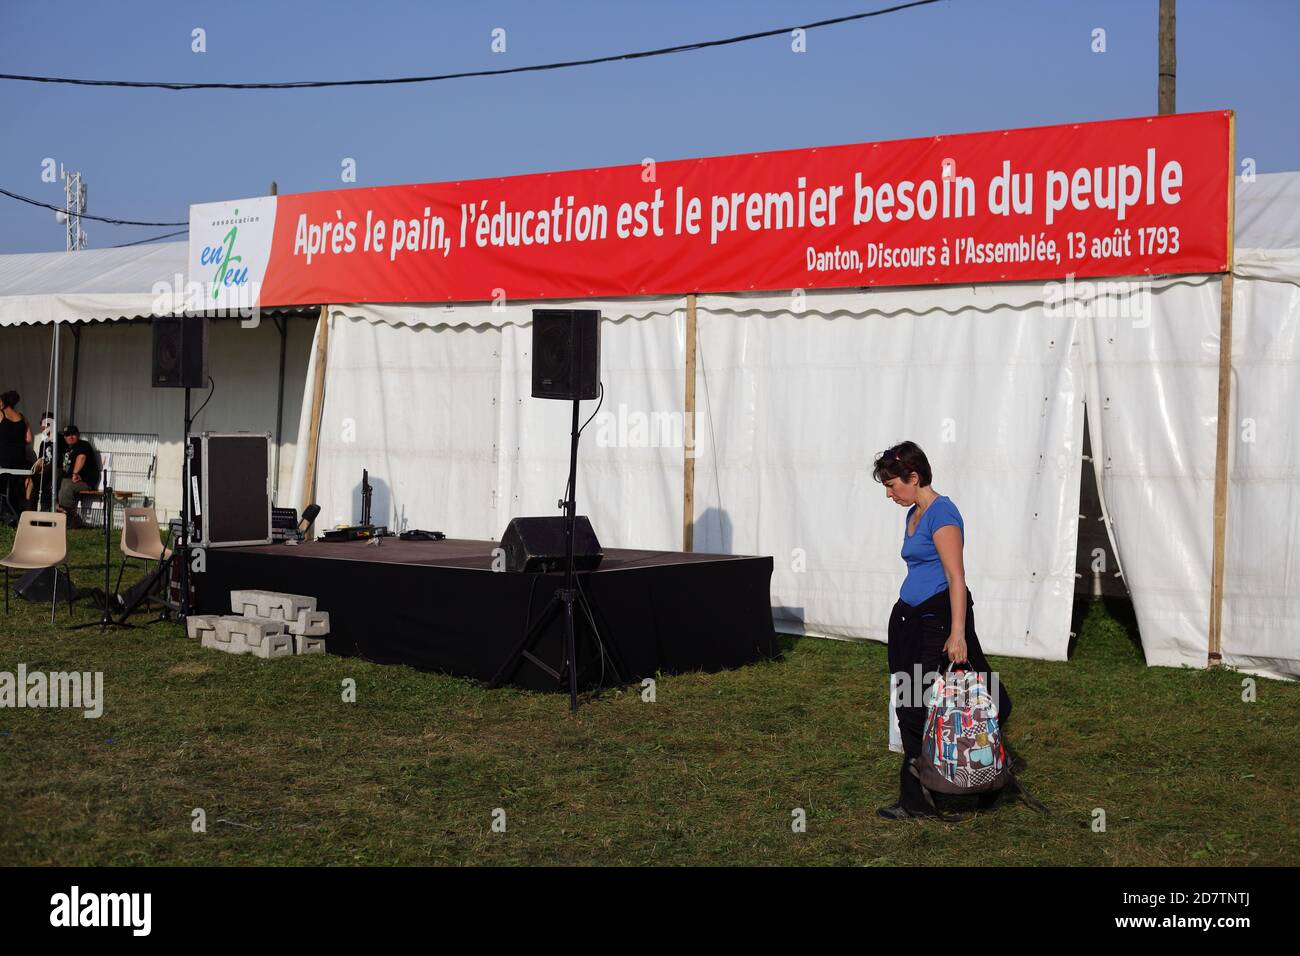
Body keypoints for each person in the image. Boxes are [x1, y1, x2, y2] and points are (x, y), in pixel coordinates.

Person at [872, 440, 1012, 820]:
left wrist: (957, 632)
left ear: (914, 476)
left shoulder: (942, 513)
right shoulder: (913, 514)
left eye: (892, 485)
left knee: (937, 701)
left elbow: (955, 577)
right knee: (909, 700)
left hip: (937, 619)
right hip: (909, 619)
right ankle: (931, 790)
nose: (888, 494)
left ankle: (978, 774)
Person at [56, 425, 100, 524]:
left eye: (73, 434)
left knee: (67, 486)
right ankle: (54, 515)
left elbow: (81, 458)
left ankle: (69, 519)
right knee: (55, 484)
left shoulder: (83, 445)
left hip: (85, 481)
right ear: (64, 437)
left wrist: (75, 473)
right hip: (69, 480)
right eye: (67, 435)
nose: (70, 437)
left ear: (78, 435)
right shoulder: (65, 448)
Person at [0, 391, 33, 520]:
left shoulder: (1, 414)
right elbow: (29, 439)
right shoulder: (22, 417)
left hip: (4, 459)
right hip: (19, 459)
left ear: (3, 402)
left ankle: (6, 512)